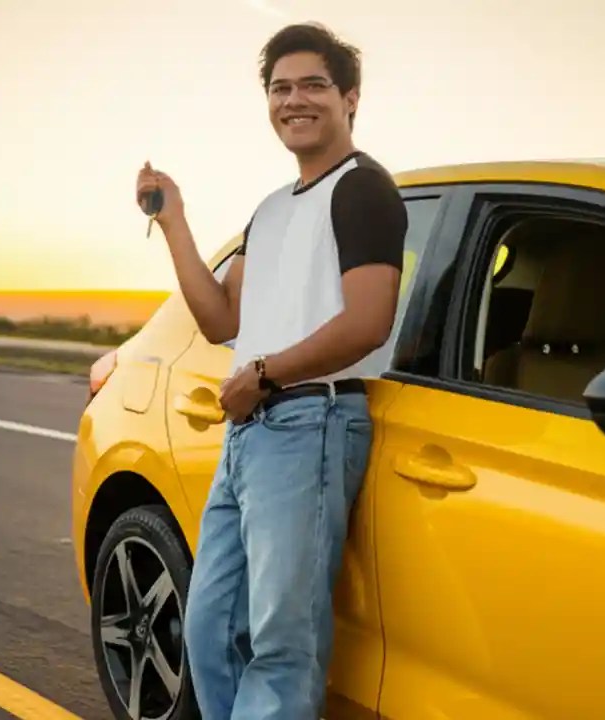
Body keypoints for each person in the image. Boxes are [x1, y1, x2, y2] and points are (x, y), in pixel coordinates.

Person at [134, 22, 407, 720]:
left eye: (314, 85)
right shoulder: (272, 208)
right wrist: (175, 222)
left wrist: (263, 374)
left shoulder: (364, 190)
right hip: (250, 433)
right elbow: (220, 318)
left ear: (350, 98)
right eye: (280, 88)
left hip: (310, 422)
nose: (295, 100)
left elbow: (368, 321)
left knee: (282, 642)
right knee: (209, 630)